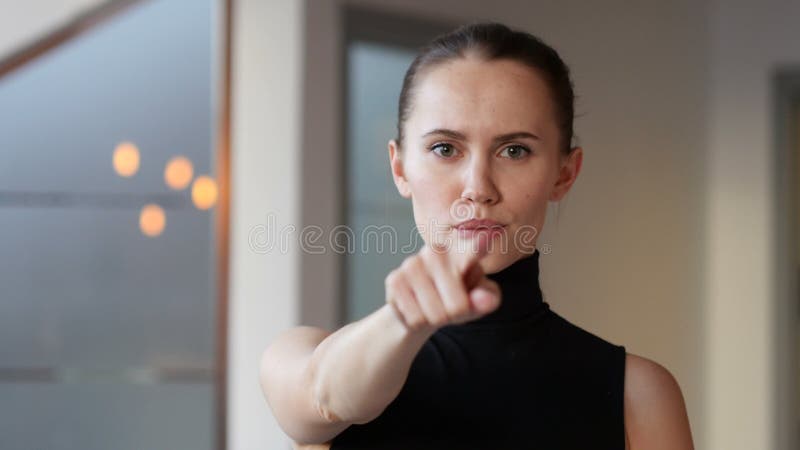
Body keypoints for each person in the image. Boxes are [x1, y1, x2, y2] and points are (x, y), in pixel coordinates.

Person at [259, 21, 695, 450]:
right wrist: (406, 320)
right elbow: (326, 399)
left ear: (564, 173)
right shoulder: (300, 357)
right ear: (399, 168)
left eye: (514, 150)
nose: (478, 187)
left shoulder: (637, 394)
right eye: (445, 149)